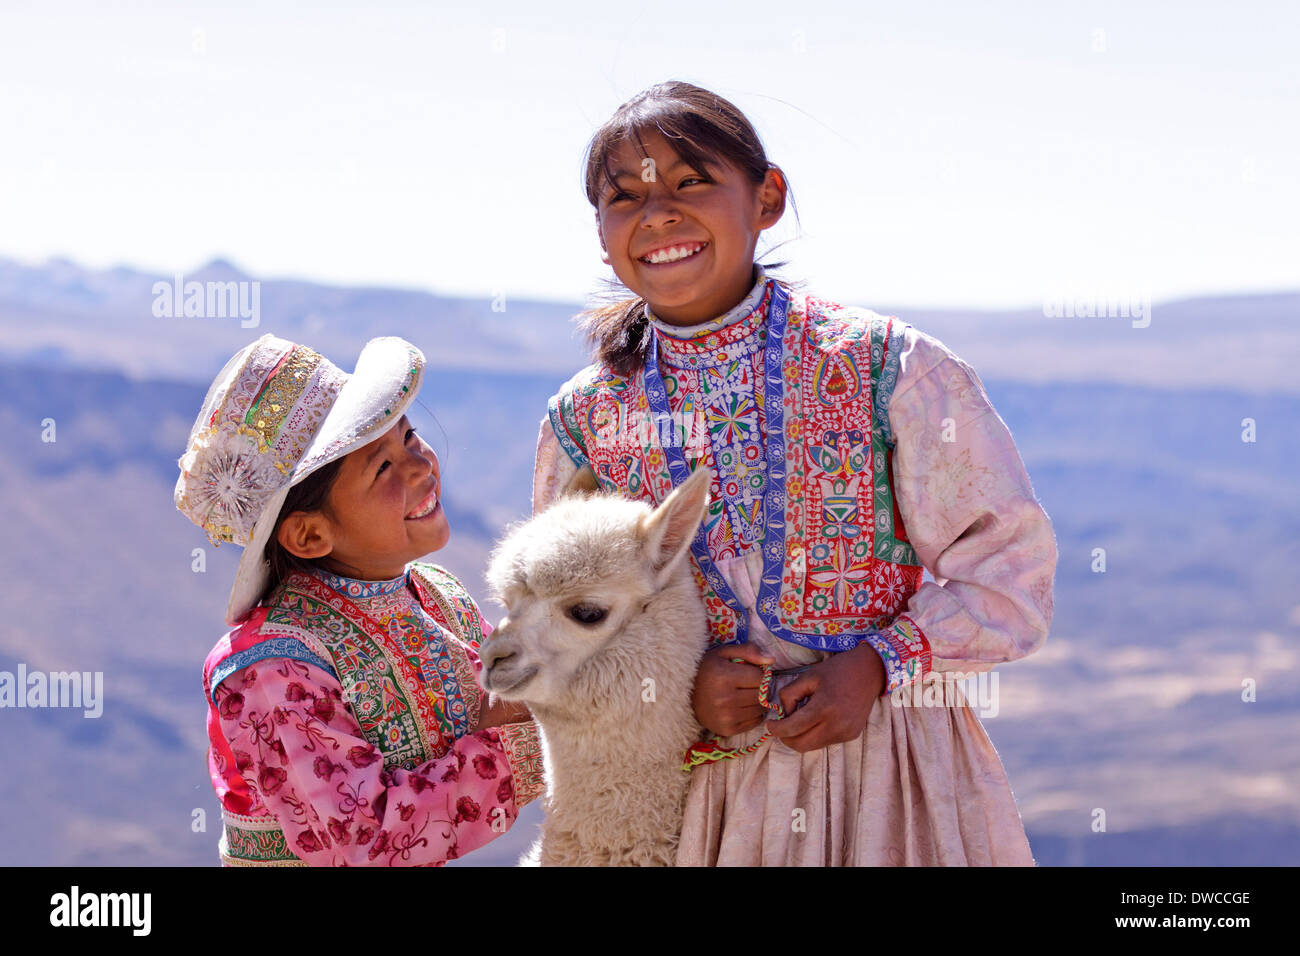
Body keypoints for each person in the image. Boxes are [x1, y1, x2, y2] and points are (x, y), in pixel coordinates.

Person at [534, 81, 1058, 865]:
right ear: (601, 234)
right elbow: (558, 643)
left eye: (691, 181)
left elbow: (1011, 575)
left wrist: (880, 665)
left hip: (896, 784)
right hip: (704, 808)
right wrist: (681, 690)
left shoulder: (891, 370)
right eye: (623, 197)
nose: (659, 213)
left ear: (768, 197)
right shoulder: (584, 422)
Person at [176, 333, 544, 866]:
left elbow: (523, 695)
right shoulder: (268, 669)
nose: (420, 466)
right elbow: (362, 840)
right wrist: (515, 739)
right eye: (382, 467)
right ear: (308, 536)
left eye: (410, 437)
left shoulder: (440, 597)